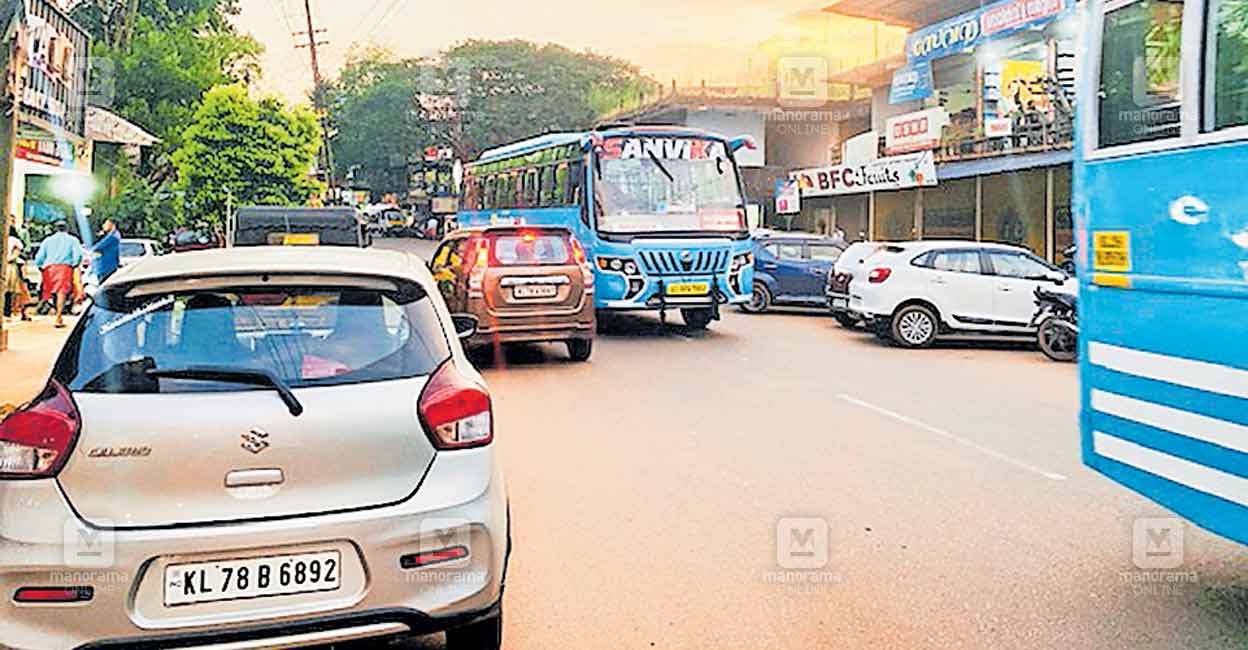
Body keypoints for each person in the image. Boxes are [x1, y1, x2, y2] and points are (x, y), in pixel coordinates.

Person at [35, 221, 83, 328]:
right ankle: (58, 317)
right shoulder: (73, 240)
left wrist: (40, 266)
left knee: (50, 291)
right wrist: (75, 265)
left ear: (55, 229)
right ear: (67, 229)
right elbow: (78, 255)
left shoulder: (47, 240)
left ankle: (54, 311)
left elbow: (39, 257)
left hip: (49, 268)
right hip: (64, 268)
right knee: (61, 292)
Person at [4, 223, 31, 321]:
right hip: (10, 267)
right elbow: (19, 251)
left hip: (8, 265)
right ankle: (7, 313)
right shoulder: (15, 241)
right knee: (9, 291)